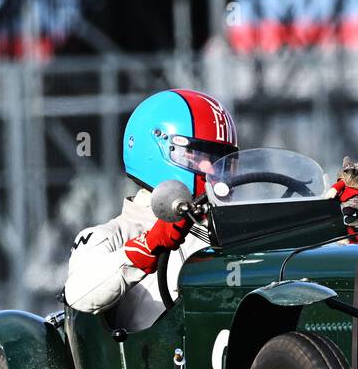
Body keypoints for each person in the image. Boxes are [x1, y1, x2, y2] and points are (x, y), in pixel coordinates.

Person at [64, 89, 239, 330]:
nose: (212, 168)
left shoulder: (234, 230)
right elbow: (78, 295)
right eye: (197, 155)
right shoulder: (111, 235)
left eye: (222, 159)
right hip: (154, 362)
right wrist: (148, 245)